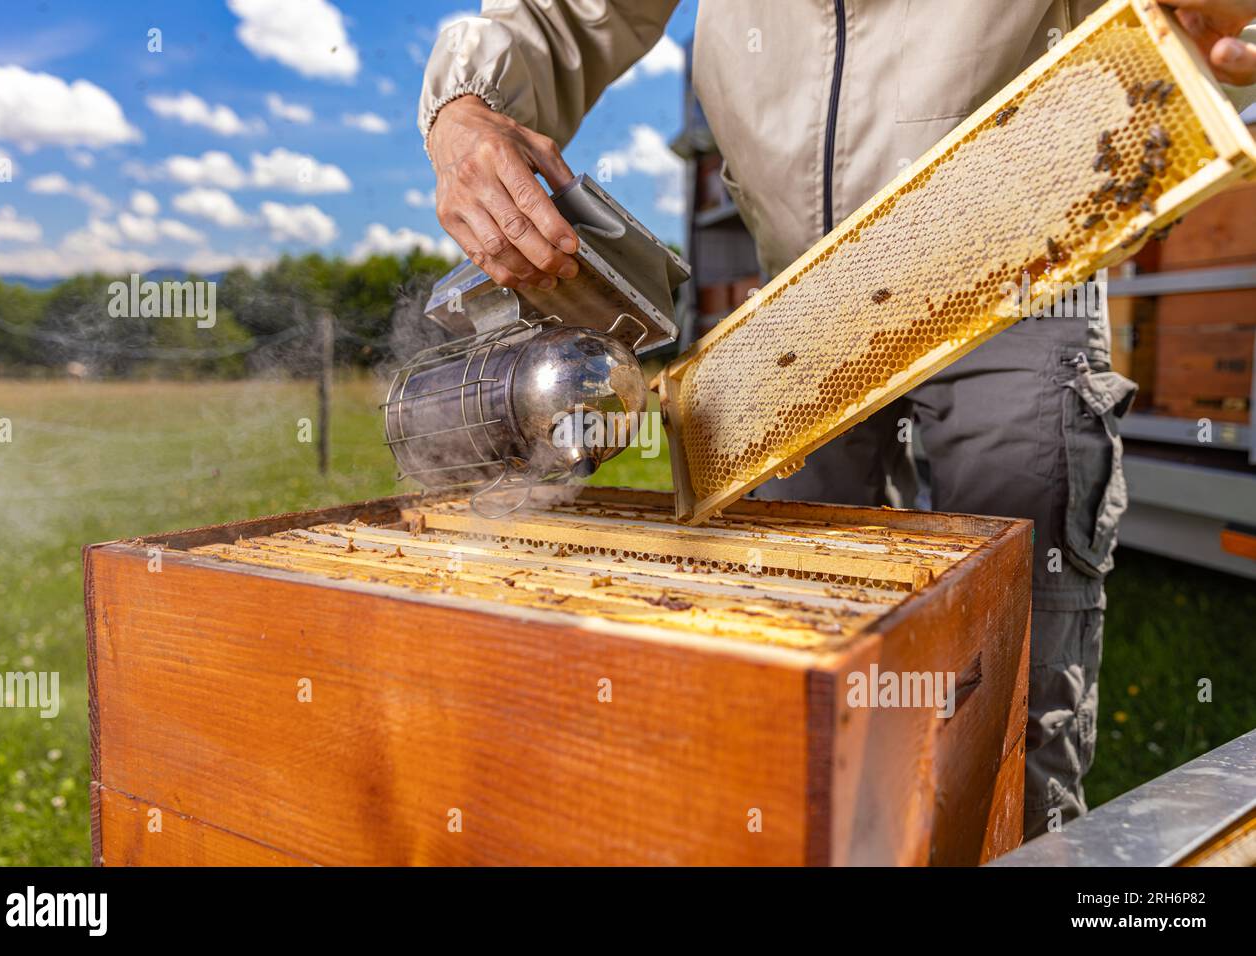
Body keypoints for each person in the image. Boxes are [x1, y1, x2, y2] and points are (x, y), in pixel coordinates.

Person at [418, 0, 1256, 839]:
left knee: (1012, 686)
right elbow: (561, 14)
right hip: (800, 304)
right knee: (808, 664)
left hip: (1024, 251)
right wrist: (465, 104)